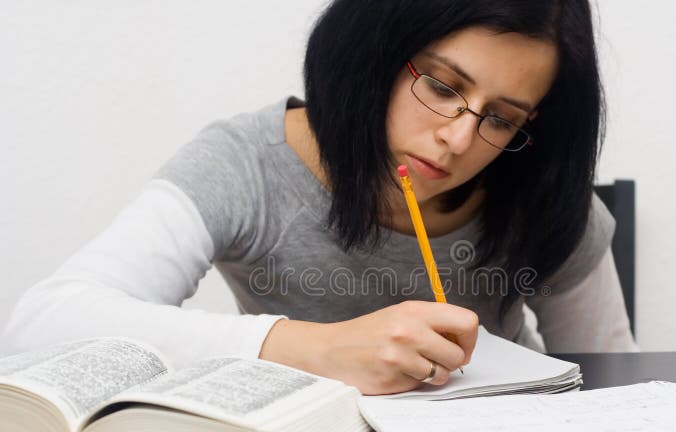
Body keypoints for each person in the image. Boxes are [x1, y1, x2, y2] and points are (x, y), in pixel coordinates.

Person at [1, 0, 636, 395]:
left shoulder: (541, 190)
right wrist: (317, 349)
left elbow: (621, 385)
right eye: (442, 86)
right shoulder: (247, 163)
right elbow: (43, 323)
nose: (457, 139)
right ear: (374, 53)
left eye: (501, 119)